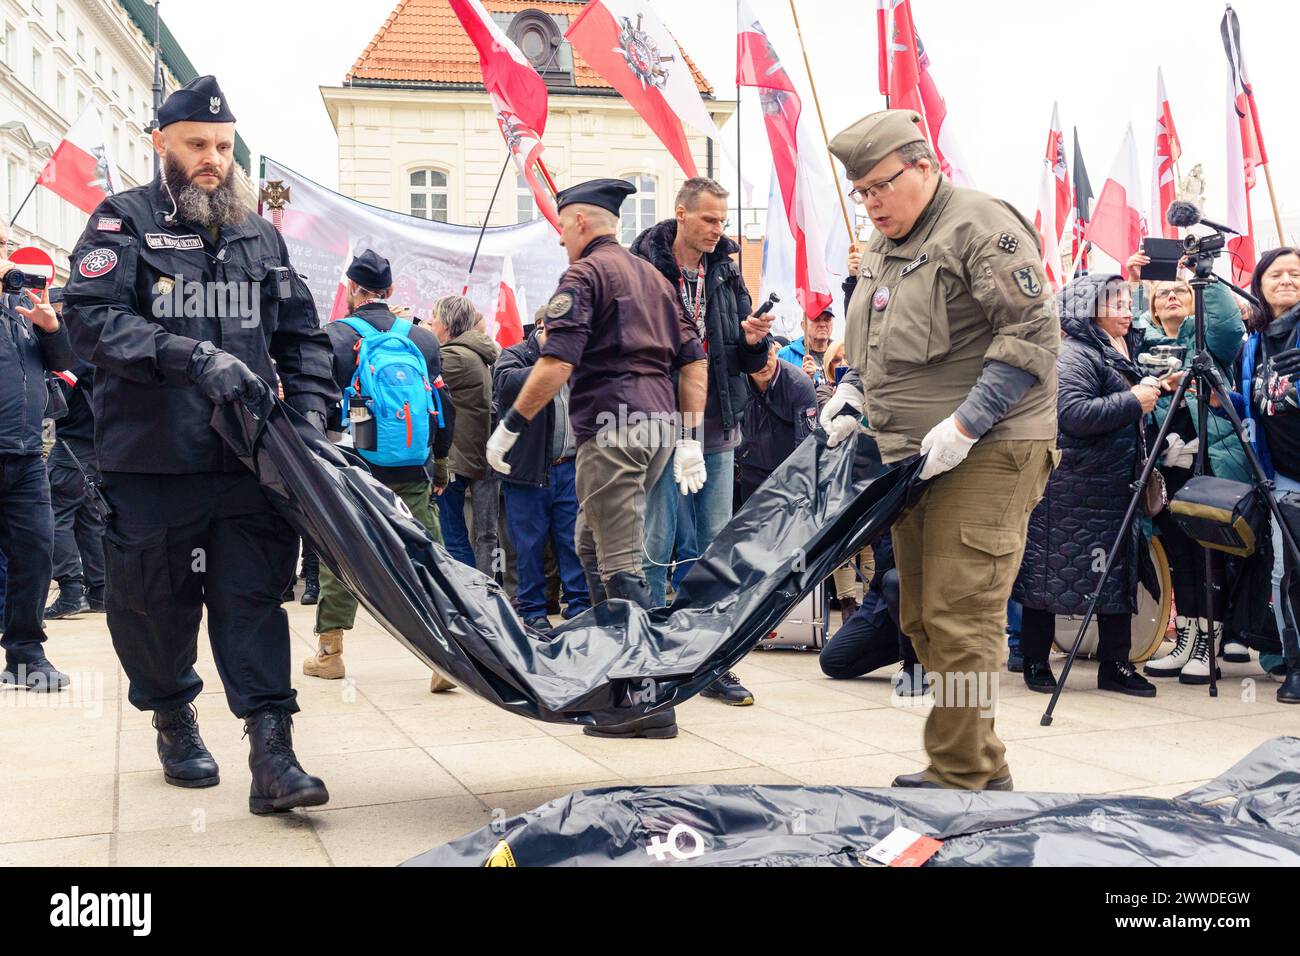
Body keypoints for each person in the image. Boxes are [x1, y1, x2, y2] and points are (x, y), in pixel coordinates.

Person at [62, 75, 338, 813]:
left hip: (248, 459)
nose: (213, 158)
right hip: (154, 459)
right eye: (196, 145)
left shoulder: (259, 232)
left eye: (222, 145)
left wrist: (307, 418)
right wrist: (191, 357)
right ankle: (173, 714)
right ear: (161, 144)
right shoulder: (121, 224)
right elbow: (91, 322)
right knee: (155, 603)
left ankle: (272, 750)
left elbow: (301, 338)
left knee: (253, 596)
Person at [823, 109, 1059, 791]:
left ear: (923, 165)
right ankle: (984, 766)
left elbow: (1030, 337)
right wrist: (853, 393)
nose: (871, 204)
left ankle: (960, 774)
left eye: (880, 187)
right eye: (860, 192)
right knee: (922, 614)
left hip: (990, 445)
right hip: (914, 454)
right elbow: (875, 340)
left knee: (962, 613)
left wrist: (966, 423)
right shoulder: (885, 243)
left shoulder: (980, 225)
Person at [486, 178, 707, 740]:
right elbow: (694, 362)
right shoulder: (656, 278)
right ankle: (611, 674)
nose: (561, 238)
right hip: (655, 426)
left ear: (581, 222)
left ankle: (647, 704)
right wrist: (686, 437)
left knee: (620, 561)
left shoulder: (584, 274)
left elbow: (558, 362)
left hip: (612, 428)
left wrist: (512, 425)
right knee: (591, 541)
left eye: (562, 226)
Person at [631, 177, 772, 706]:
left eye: (723, 221)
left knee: (716, 542)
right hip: (659, 422)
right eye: (710, 219)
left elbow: (742, 357)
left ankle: (709, 661)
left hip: (717, 422)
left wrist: (754, 343)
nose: (719, 230)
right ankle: (648, 657)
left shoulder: (727, 270)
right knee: (656, 537)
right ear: (682, 213)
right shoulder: (641, 265)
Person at [305, 249, 456, 693]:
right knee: (426, 552)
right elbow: (443, 406)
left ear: (351, 289)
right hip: (413, 463)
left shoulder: (332, 336)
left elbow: (313, 406)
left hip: (353, 464)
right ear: (390, 293)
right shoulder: (424, 339)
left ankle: (330, 654)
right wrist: (440, 463)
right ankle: (446, 655)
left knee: (340, 551)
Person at [1012, 275, 1163, 698]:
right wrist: (1134, 399)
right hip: (1071, 490)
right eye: (1113, 301)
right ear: (1086, 308)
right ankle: (1035, 661)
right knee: (1048, 578)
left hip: (1112, 489)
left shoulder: (1117, 347)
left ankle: (1115, 665)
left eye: (1126, 300)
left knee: (1116, 578)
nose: (1125, 308)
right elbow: (1074, 414)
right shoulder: (1074, 353)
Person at [1124, 252, 1251, 678]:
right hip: (1166, 471)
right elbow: (1123, 329)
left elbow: (1229, 326)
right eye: (1163, 295)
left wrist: (1202, 279)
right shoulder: (1143, 343)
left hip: (1209, 465)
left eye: (1180, 292)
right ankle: (1187, 637)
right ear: (1152, 307)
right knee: (1179, 553)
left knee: (1207, 552)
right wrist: (1137, 281)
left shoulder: (1205, 340)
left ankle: (1208, 644)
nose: (1172, 297)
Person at [0, 222, 77, 691]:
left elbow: (63, 362)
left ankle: (25, 655)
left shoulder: (18, 306)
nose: (5, 255)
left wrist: (51, 327)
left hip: (26, 455)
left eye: (4, 244)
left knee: (35, 554)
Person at [492, 306, 590, 631]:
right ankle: (532, 611)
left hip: (570, 468)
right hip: (528, 472)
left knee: (572, 541)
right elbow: (506, 386)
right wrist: (547, 367)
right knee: (529, 545)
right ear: (541, 327)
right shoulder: (515, 355)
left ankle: (578, 606)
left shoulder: (578, 358)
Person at [1230, 247, 1300, 702]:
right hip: (1284, 477)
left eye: (1296, 273)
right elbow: (1252, 405)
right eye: (1277, 273)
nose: (1287, 280)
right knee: (1288, 572)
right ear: (1260, 284)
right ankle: (1296, 665)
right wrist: (1219, 397)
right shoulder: (1251, 343)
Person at [43, 288, 106, 620]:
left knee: (55, 516)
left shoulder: (73, 345)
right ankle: (99, 590)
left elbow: (55, 390)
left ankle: (70, 591)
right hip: (92, 445)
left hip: (73, 446)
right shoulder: (93, 341)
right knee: (87, 517)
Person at [430, 295, 500, 575]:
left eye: (433, 319)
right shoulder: (476, 353)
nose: (430, 324)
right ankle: (486, 591)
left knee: (453, 535)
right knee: (484, 534)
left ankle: (471, 596)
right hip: (478, 454)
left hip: (458, 457)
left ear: (446, 324)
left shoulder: (455, 357)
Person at [819, 534, 926, 696]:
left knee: (896, 580)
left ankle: (916, 664)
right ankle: (914, 644)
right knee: (833, 662)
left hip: (919, 594)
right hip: (880, 595)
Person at [737, 341, 818, 507]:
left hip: (788, 478)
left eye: (767, 355)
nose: (763, 364)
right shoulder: (736, 382)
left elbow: (806, 446)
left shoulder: (799, 384)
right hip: (750, 475)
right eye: (755, 359)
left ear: (775, 350)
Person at [777, 309, 834, 388]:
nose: (822, 324)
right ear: (803, 325)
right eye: (816, 319)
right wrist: (803, 380)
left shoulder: (841, 354)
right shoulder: (786, 355)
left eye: (827, 319)